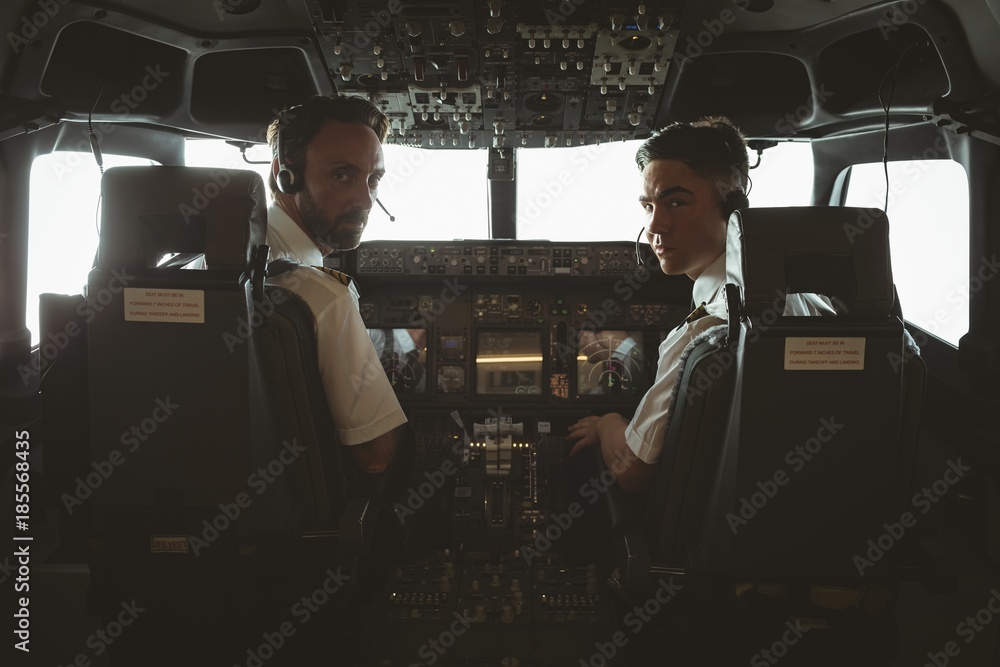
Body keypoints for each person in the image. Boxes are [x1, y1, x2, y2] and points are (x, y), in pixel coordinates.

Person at [565, 116, 833, 494]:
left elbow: (631, 471)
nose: (656, 226)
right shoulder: (818, 303)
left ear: (733, 207)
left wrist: (607, 422)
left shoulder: (707, 332)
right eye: (648, 205)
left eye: (676, 202)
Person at [264, 95, 406, 474]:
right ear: (285, 174)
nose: (365, 199)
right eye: (342, 174)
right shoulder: (321, 295)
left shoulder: (196, 263)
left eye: (373, 180)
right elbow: (375, 457)